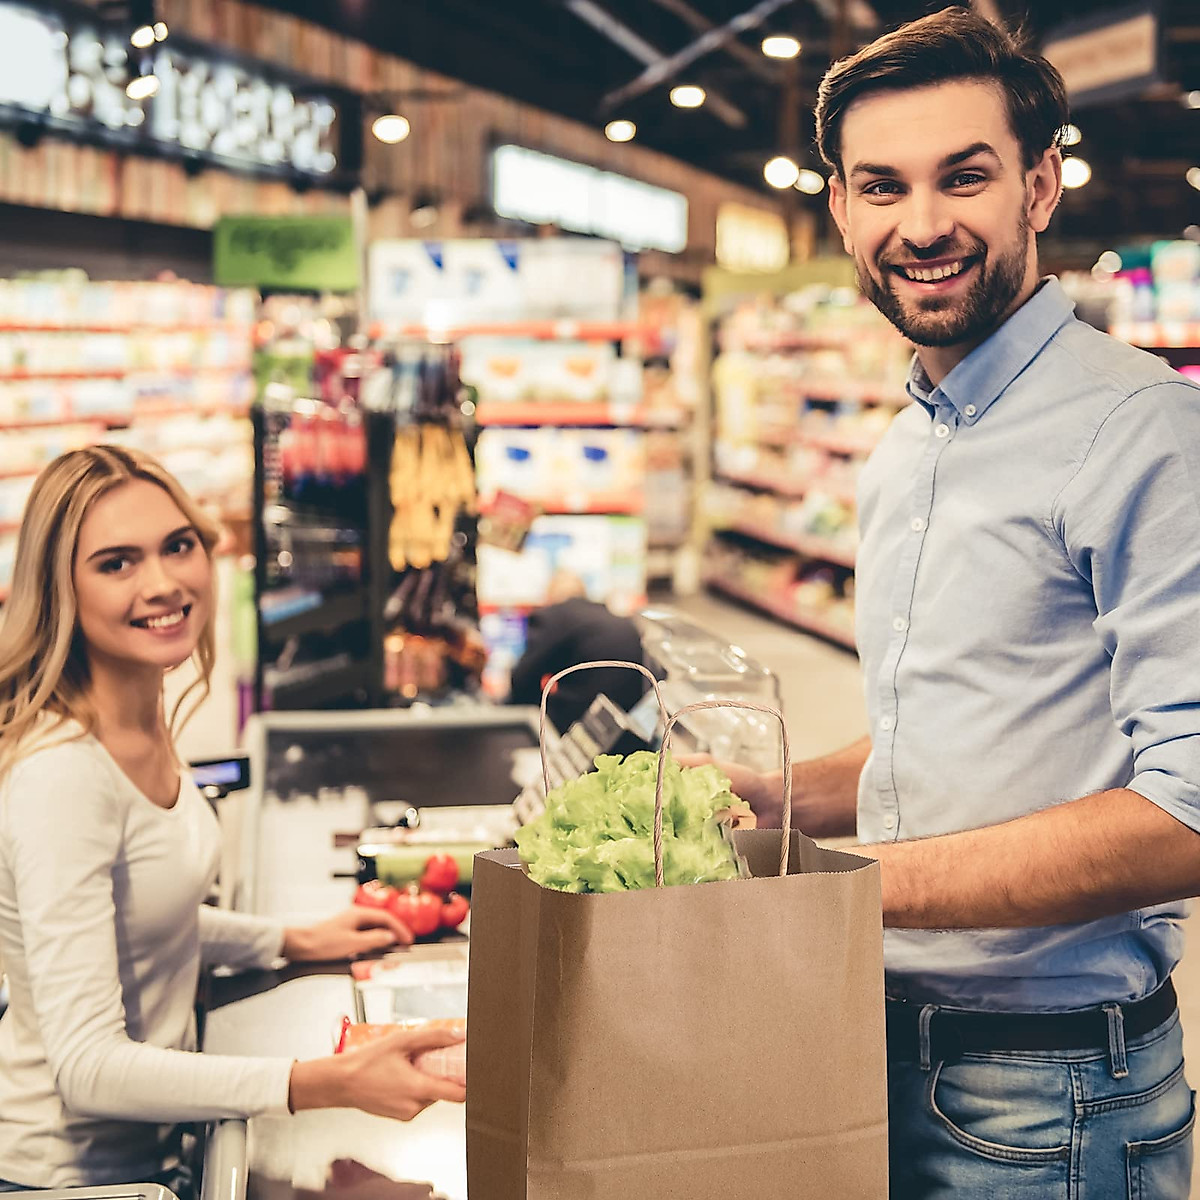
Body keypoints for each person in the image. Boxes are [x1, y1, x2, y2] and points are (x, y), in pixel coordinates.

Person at [724, 8, 1200, 1196]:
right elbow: (966, 715)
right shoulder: (905, 445)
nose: (922, 225)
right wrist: (783, 797)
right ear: (840, 207)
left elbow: (1189, 808)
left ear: (1040, 185)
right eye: (882, 185)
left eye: (966, 177)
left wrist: (841, 882)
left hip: (1054, 1098)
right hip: (884, 1048)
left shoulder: (1137, 431)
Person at [0, 446, 466, 1193]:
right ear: (61, 589)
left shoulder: (141, 715)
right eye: (116, 563)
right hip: (72, 1179)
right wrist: (327, 1081)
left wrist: (287, 938)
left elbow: (140, 915)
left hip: (154, 1149)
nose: (163, 583)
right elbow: (86, 1067)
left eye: (177, 546)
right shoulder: (63, 775)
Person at [507, 570, 646, 730]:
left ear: (551, 596)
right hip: (625, 721)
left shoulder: (554, 615)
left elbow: (522, 679)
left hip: (578, 720)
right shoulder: (613, 617)